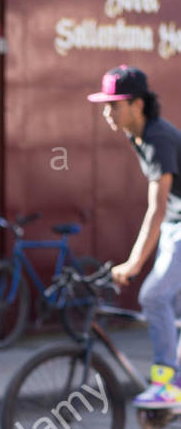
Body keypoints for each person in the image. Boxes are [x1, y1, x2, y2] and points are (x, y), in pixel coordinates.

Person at [88, 65, 181, 409]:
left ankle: (167, 386)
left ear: (137, 105)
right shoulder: (136, 133)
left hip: (176, 222)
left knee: (155, 296)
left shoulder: (157, 138)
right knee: (169, 303)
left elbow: (155, 209)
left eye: (114, 104)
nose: (106, 112)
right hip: (176, 223)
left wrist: (134, 262)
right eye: (105, 104)